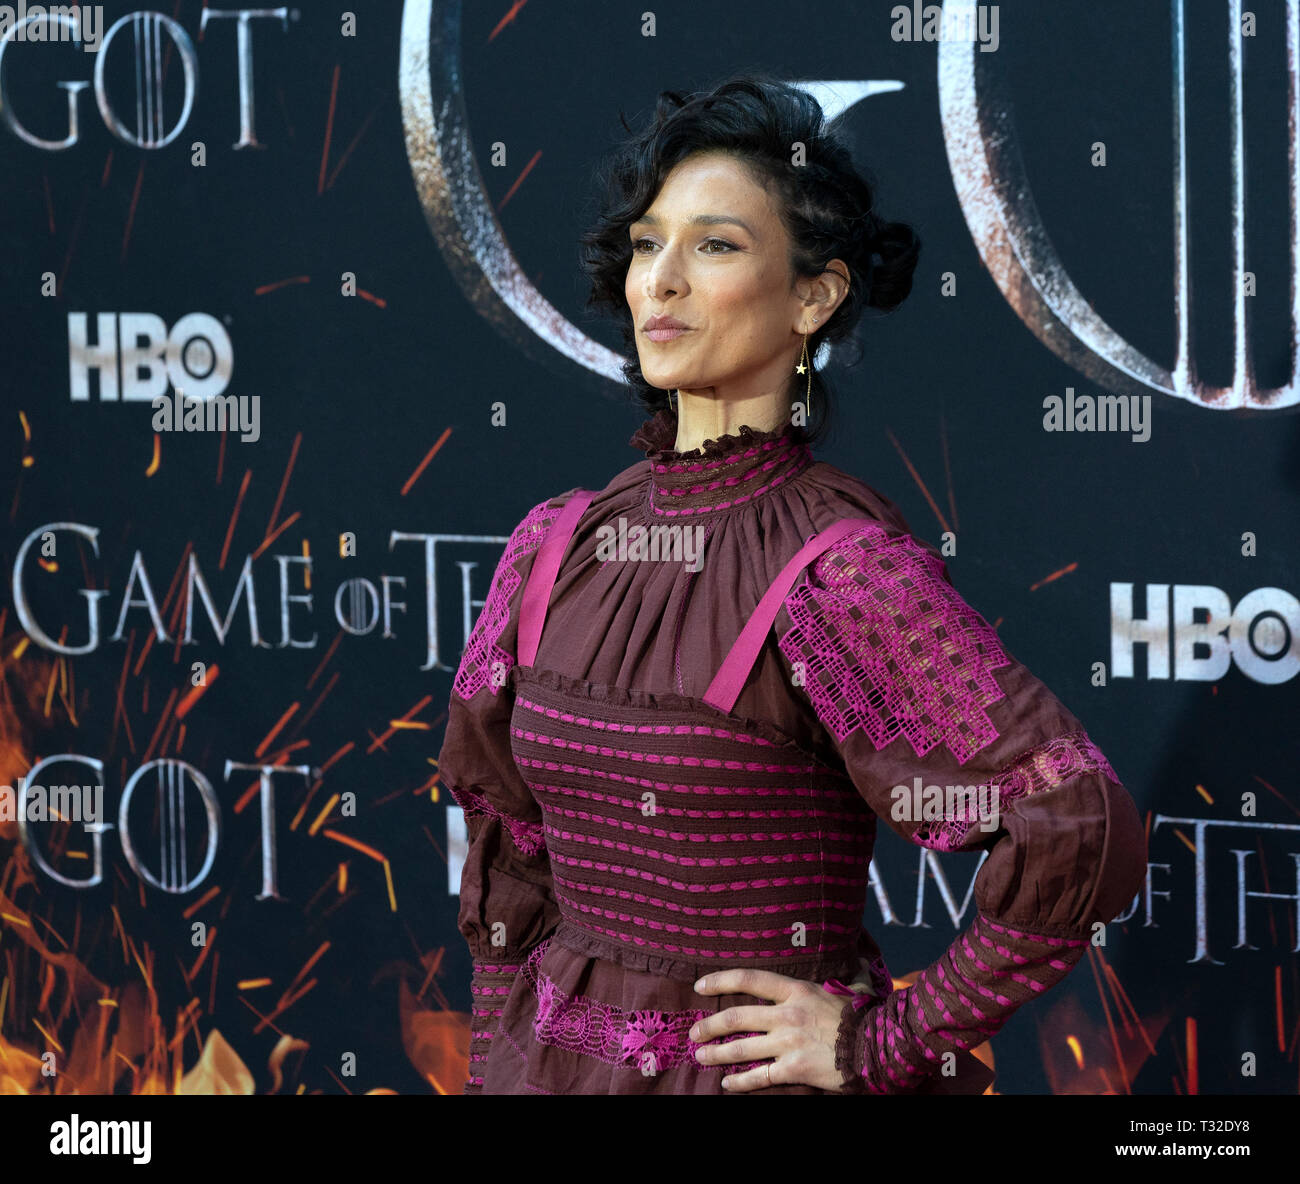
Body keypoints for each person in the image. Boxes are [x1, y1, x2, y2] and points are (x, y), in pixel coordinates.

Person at [438, 73, 1147, 1095]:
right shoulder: (553, 547)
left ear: (814, 294)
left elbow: (1073, 820)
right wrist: (496, 1068)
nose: (661, 282)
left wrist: (887, 1042)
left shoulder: (838, 571)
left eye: (715, 245)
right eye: (647, 244)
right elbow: (508, 854)